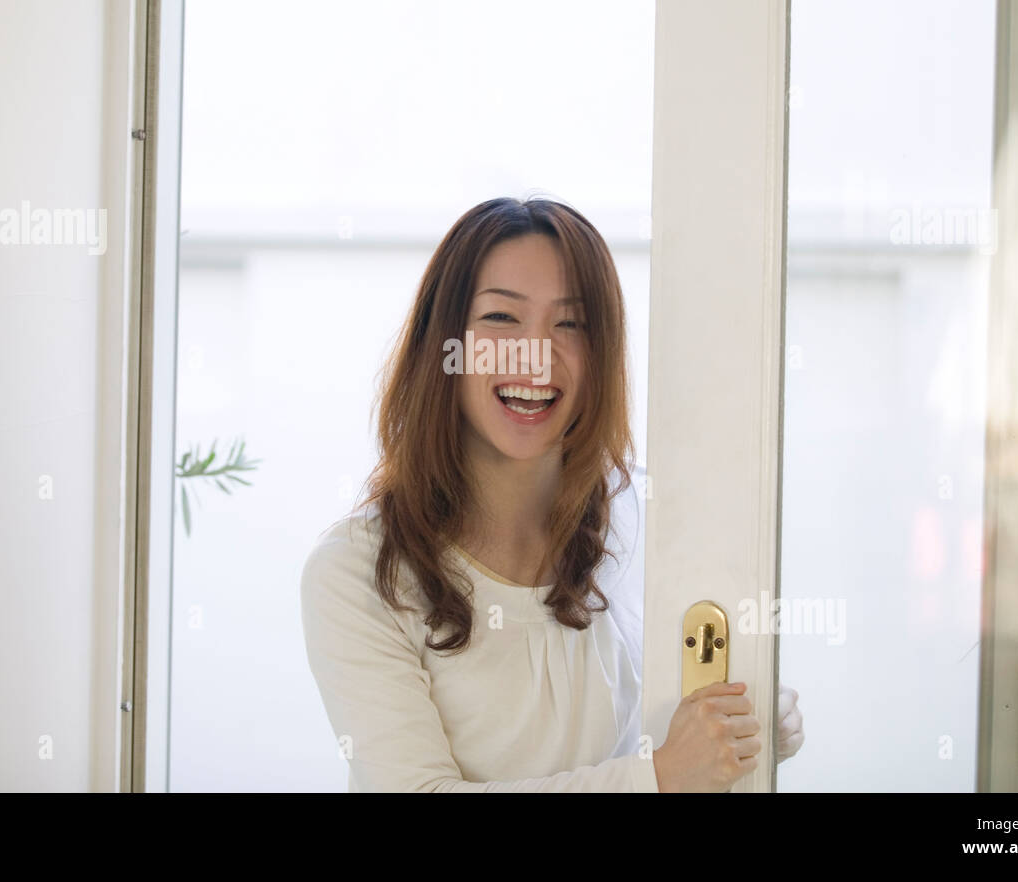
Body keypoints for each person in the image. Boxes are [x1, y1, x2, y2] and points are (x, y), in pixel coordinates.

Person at [300, 195, 803, 791]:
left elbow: (673, 725)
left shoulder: (640, 522)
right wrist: (660, 778)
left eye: (571, 324)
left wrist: (747, 724)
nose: (536, 357)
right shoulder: (357, 572)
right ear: (446, 347)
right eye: (501, 319)